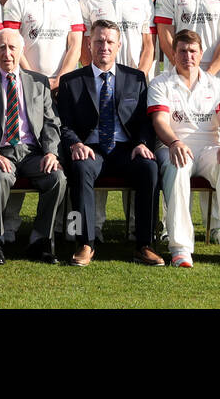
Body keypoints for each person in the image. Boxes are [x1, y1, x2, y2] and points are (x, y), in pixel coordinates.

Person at [56, 20, 164, 267]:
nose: (104, 46)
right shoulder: (71, 81)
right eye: (99, 41)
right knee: (80, 168)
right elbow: (64, 123)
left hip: (127, 149)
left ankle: (144, 244)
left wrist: (142, 142)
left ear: (119, 45)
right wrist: (75, 144)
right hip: (91, 149)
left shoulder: (136, 79)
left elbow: (144, 121)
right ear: (89, 44)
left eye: (109, 42)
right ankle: (85, 244)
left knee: (149, 167)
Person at [0, 28, 65, 266]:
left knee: (58, 178)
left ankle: (40, 240)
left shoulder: (38, 82)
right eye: (1, 47)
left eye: (12, 48)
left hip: (33, 153)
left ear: (21, 51)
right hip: (0, 153)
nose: (7, 53)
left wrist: (51, 151)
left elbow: (52, 121)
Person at [148, 29, 220, 268]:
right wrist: (175, 142)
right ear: (173, 53)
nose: (187, 56)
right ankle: (180, 247)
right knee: (178, 164)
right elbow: (159, 120)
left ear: (201, 53)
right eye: (182, 51)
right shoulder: (160, 83)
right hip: (173, 146)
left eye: (193, 51)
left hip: (209, 147)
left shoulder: (218, 84)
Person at [0, 0, 84, 89]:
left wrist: (60, 80)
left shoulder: (71, 3)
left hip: (64, 83)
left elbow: (75, 47)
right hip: (27, 84)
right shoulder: (15, 3)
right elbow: (13, 48)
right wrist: (34, 80)